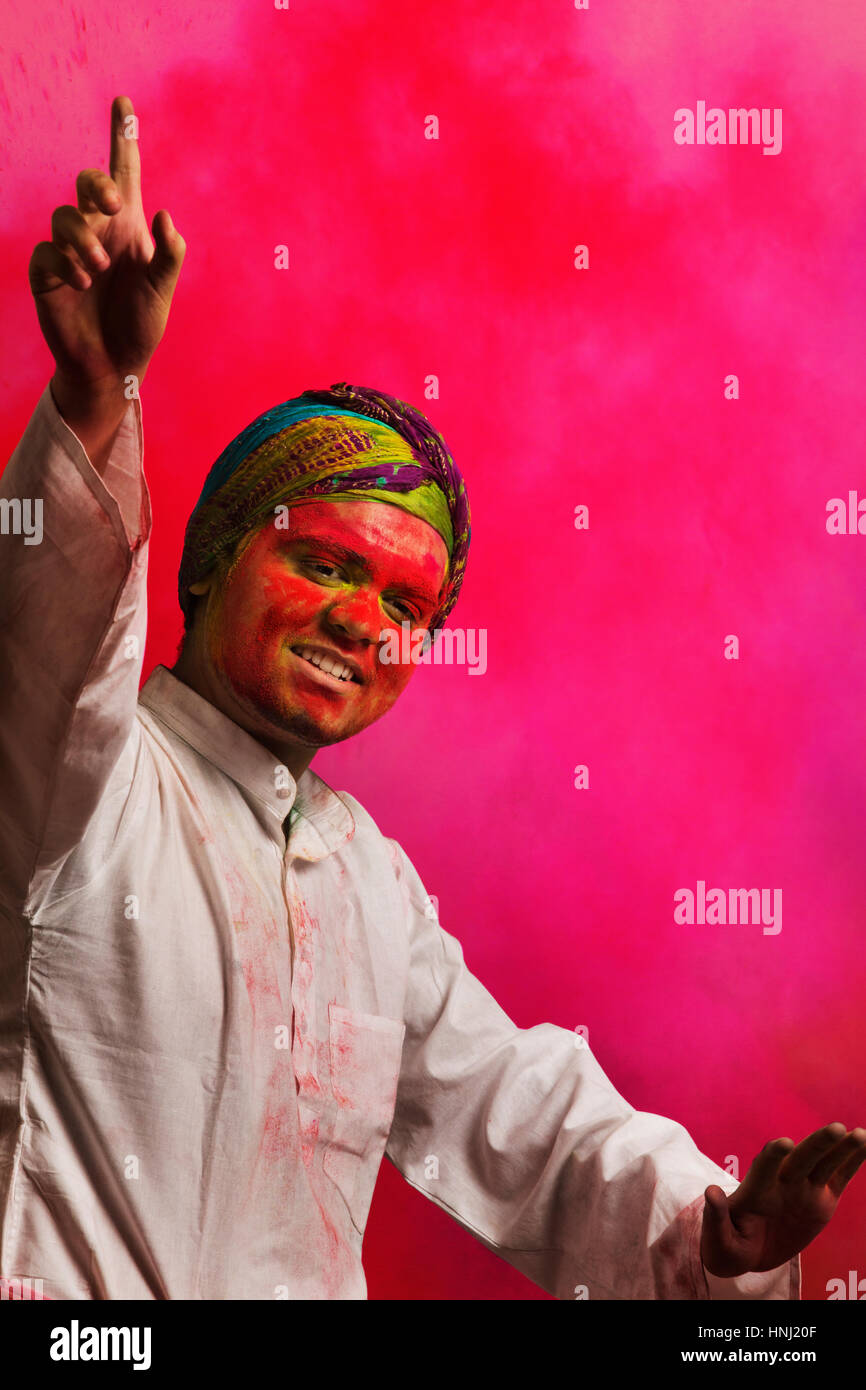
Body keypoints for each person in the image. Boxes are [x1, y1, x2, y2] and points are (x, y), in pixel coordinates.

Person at [0, 95, 862, 1302]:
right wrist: (96, 397)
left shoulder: (367, 880)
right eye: (325, 563)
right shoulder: (76, 785)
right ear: (205, 563)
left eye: (407, 606)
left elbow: (528, 1118)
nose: (365, 621)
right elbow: (52, 636)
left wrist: (709, 1234)